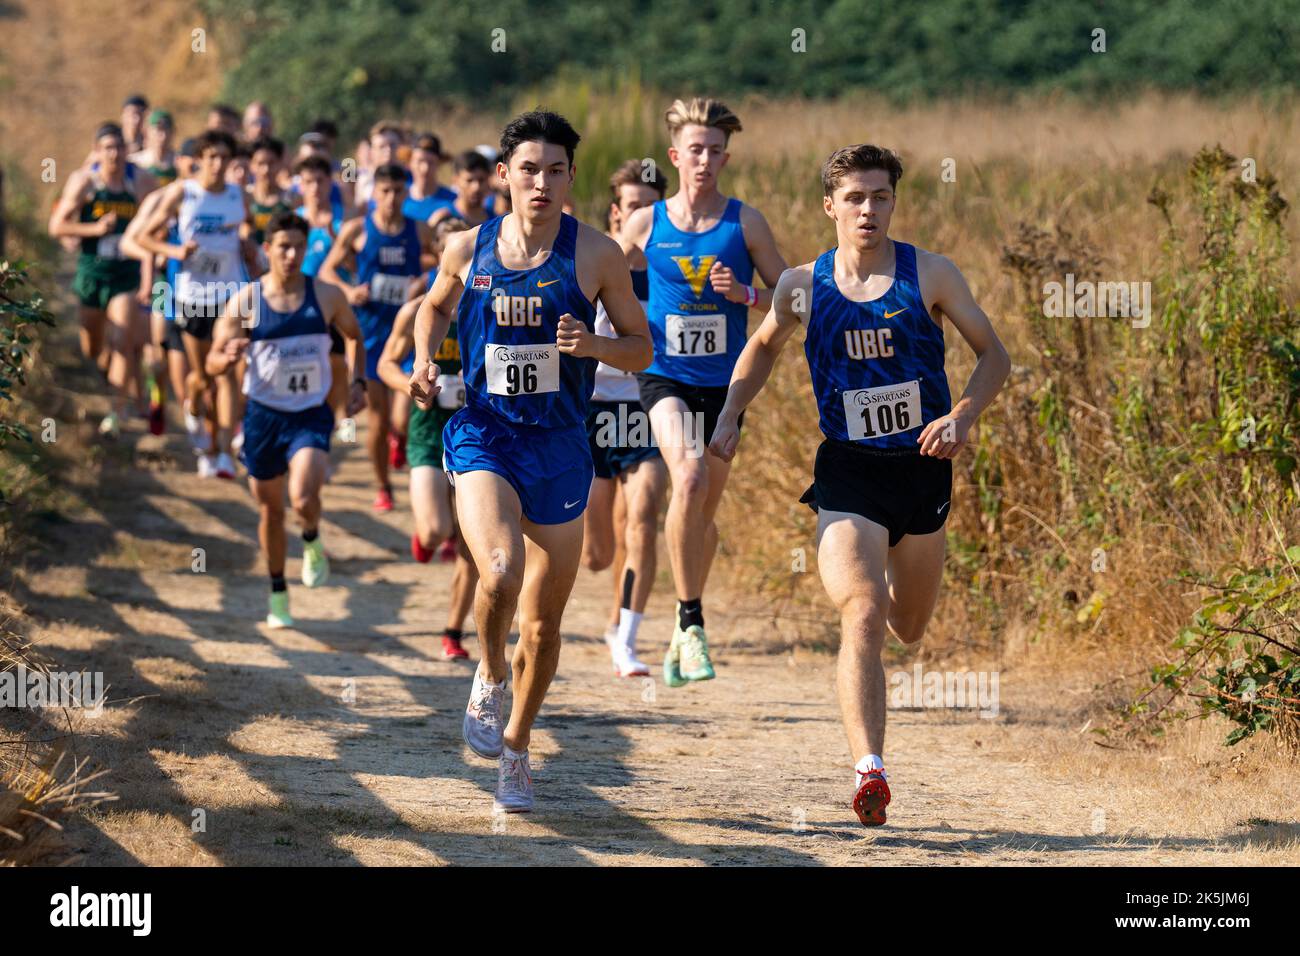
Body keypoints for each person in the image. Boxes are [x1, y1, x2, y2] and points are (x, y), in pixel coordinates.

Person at [708, 144, 1011, 826]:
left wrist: (962, 415)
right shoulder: (800, 285)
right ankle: (869, 768)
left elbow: (994, 354)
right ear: (830, 206)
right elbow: (761, 348)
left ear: (894, 203)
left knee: (908, 625)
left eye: (880, 197)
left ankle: (898, 607)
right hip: (847, 472)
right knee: (864, 610)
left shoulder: (930, 274)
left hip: (923, 471)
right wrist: (731, 412)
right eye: (854, 198)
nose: (868, 210)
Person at [409, 110, 652, 813]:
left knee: (544, 626)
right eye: (527, 169)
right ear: (503, 176)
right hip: (486, 432)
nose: (540, 182)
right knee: (500, 569)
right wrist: (425, 359)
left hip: (563, 445)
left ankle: (515, 749)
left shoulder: (598, 254)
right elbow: (432, 308)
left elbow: (642, 348)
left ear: (571, 177)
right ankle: (488, 674)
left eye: (554, 170)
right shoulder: (466, 247)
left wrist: (596, 346)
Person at [618, 97, 787, 686]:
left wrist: (744, 295)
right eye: (695, 150)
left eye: (716, 151)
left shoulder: (746, 224)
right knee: (686, 477)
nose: (705, 160)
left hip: (728, 385)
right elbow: (598, 281)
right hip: (663, 376)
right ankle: (692, 621)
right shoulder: (646, 223)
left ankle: (676, 630)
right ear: (675, 155)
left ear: (726, 157)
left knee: (703, 522)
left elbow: (792, 303)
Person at [207, 211, 367, 628]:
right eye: (283, 247)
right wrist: (223, 358)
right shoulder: (247, 300)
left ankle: (311, 537)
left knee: (302, 496)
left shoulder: (327, 295)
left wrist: (358, 382)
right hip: (262, 417)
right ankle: (278, 591)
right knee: (271, 512)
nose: (292, 255)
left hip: (310, 414)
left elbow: (353, 336)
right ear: (267, 250)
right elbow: (212, 361)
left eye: (298, 246)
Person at [582, 159, 670, 677]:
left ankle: (625, 633)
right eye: (633, 207)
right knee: (595, 551)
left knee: (642, 518)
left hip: (641, 406)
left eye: (650, 210)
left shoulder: (666, 270)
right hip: (587, 410)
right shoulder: (587, 259)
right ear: (617, 213)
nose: (640, 219)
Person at [133, 129, 255, 478]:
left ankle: (221, 451)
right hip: (191, 297)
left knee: (228, 373)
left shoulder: (237, 195)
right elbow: (144, 237)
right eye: (211, 157)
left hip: (230, 294)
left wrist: (247, 243)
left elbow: (244, 229)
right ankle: (194, 413)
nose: (217, 165)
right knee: (202, 376)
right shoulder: (183, 193)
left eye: (224, 158)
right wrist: (175, 251)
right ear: (200, 159)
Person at [379, 251, 479, 661]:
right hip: (427, 433)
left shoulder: (486, 307)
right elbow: (385, 363)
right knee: (437, 530)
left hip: (475, 434)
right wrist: (411, 385)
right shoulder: (414, 313)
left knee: (473, 545)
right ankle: (427, 537)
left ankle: (453, 632)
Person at [318, 163, 435, 511]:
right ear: (374, 194)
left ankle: (400, 440)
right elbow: (326, 269)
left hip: (409, 334)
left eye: (399, 191)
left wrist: (423, 281)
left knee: (406, 414)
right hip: (369, 334)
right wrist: (348, 290)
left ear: (406, 193)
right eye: (385, 192)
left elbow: (447, 260)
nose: (392, 199)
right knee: (379, 419)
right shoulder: (358, 230)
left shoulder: (420, 231)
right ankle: (384, 485)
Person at [49, 123, 158, 435]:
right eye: (108, 147)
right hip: (92, 273)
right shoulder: (85, 182)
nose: (115, 153)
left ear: (127, 150)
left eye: (120, 147)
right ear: (97, 151)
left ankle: (116, 411)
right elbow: (56, 226)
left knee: (123, 337)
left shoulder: (140, 181)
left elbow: (161, 217)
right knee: (92, 347)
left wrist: (149, 246)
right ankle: (102, 361)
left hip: (126, 274)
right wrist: (93, 230)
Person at [403, 133, 457, 224]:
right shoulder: (397, 196)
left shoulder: (453, 201)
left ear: (439, 164)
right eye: (420, 161)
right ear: (409, 163)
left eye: (431, 162)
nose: (425, 168)